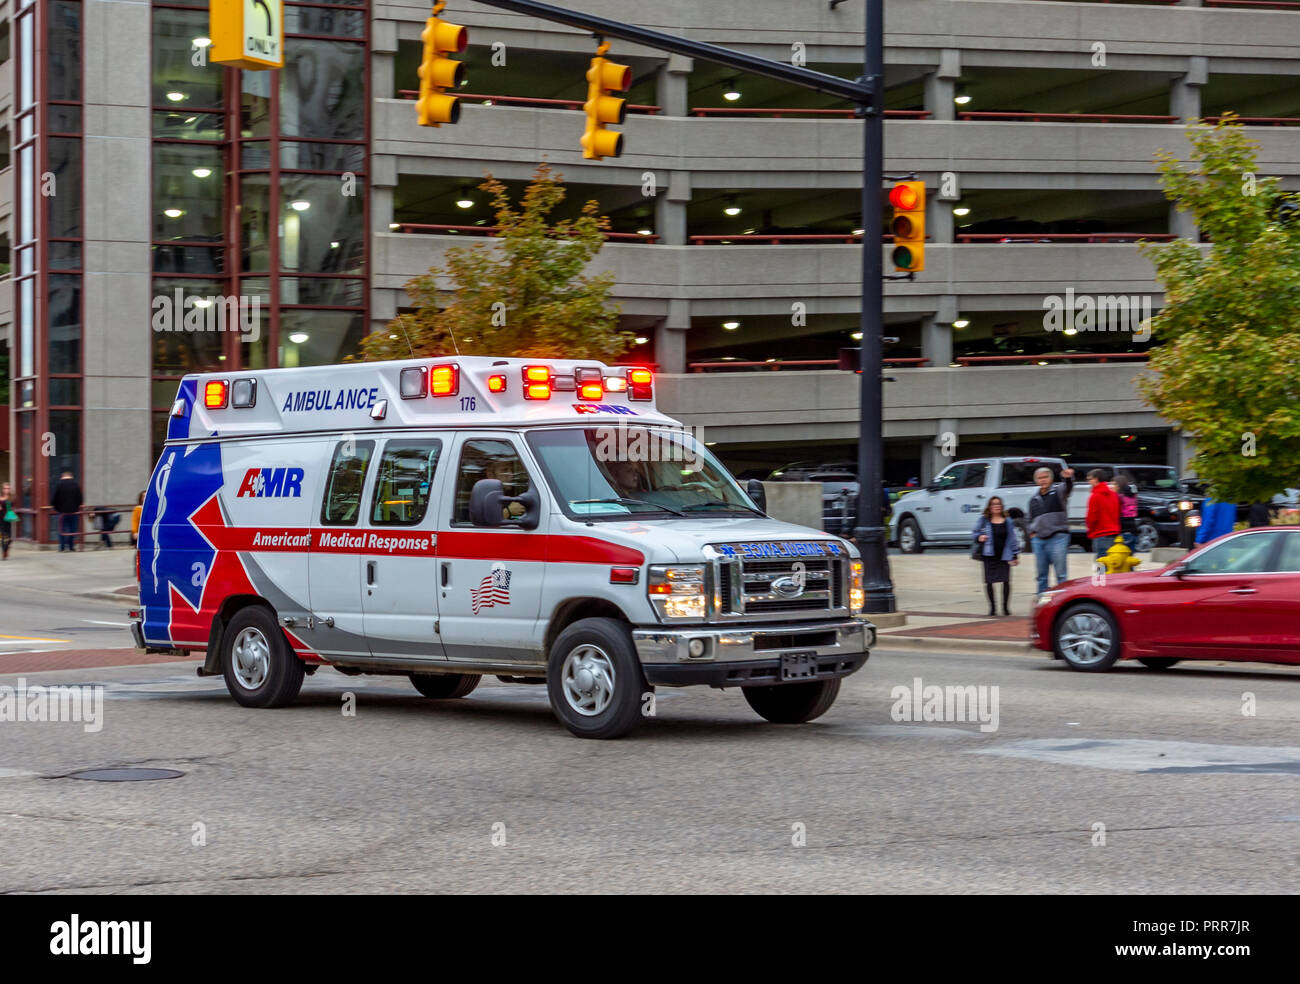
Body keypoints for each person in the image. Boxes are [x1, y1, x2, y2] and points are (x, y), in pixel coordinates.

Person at [1027, 465, 1073, 595]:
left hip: (1058, 537)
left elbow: (1068, 488)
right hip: (1039, 540)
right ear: (1036, 480)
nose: (1043, 480)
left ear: (1051, 478)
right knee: (1041, 576)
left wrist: (1068, 478)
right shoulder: (1033, 499)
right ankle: (1042, 602)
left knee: (1061, 574)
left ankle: (1063, 600)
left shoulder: (1059, 492)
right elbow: (1028, 519)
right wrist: (1032, 533)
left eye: (1045, 477)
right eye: (1040, 478)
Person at [972, 496, 1020, 617]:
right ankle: (992, 608)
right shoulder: (984, 520)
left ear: (1001, 506)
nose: (996, 506)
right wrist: (979, 537)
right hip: (989, 555)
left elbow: (1013, 538)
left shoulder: (1007, 520)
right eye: (993, 504)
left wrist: (1015, 554)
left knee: (1006, 581)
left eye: (998, 504)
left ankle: (1005, 608)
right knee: (989, 582)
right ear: (989, 506)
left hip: (1004, 555)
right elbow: (974, 532)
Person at [1085, 467, 1121, 559]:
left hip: (1100, 534)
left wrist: (1090, 530)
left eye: (1090, 479)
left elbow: (1092, 517)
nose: (1088, 482)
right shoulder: (1114, 495)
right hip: (1115, 533)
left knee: (1101, 564)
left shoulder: (1094, 496)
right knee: (1113, 564)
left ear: (1096, 479)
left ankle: (1101, 574)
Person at [51, 470, 83, 553]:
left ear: (62, 476)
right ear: (71, 476)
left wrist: (57, 509)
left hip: (62, 512)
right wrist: (76, 507)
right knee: (73, 529)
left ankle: (62, 547)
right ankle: (71, 546)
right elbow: (80, 499)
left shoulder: (59, 485)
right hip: (74, 512)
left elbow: (54, 500)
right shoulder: (76, 485)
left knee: (62, 529)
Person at [1113, 472, 1139, 551]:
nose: (1112, 487)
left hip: (1122, 528)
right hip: (1133, 528)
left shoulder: (1119, 497)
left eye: (1114, 484)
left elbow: (1115, 511)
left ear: (1119, 485)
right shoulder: (1133, 495)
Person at [0, 482, 15, 560]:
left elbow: (10, 508)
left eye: (8, 488)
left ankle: (7, 547)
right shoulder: (0, 497)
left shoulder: (11, 498)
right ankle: (4, 552)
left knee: (9, 537)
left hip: (8, 519)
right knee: (3, 536)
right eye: (5, 488)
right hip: (1, 519)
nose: (7, 490)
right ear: (3, 489)